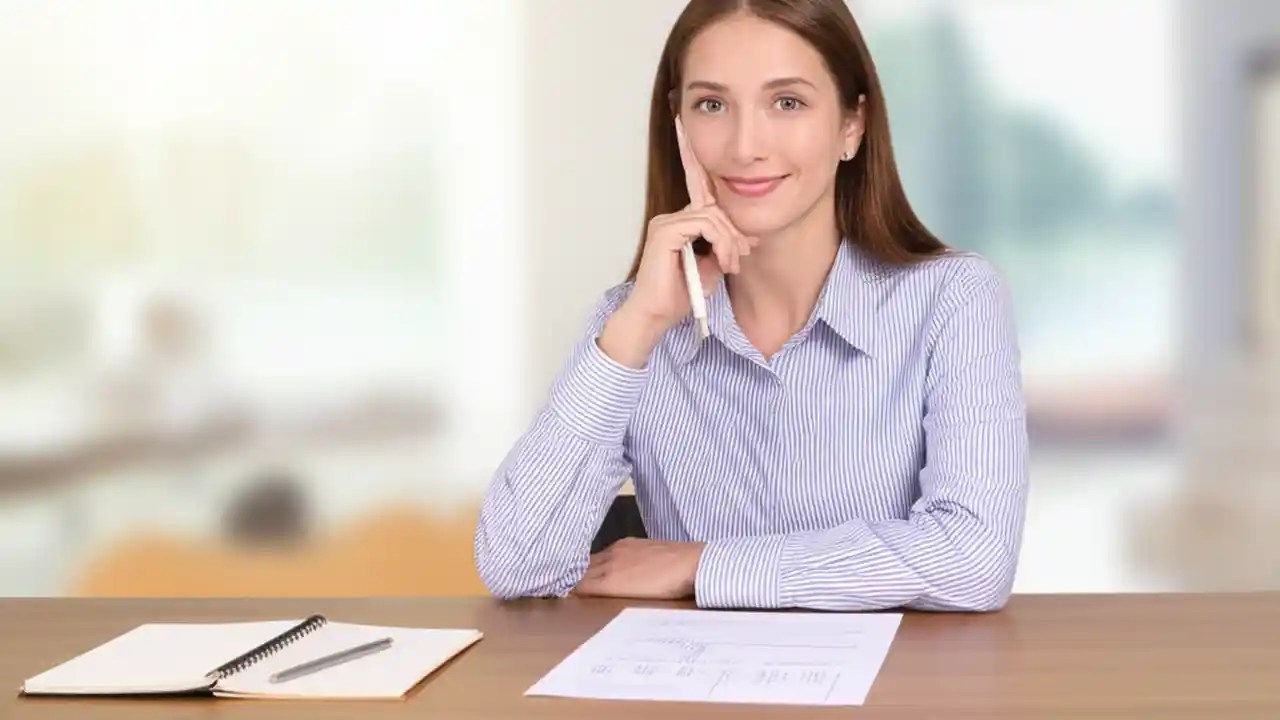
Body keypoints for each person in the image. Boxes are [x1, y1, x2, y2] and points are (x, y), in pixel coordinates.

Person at [474, 0, 1028, 612]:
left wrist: (703, 564)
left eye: (787, 102)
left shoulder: (953, 299)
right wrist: (636, 329)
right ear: (678, 125)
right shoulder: (632, 322)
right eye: (712, 105)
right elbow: (516, 562)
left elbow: (974, 558)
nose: (745, 146)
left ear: (852, 124)